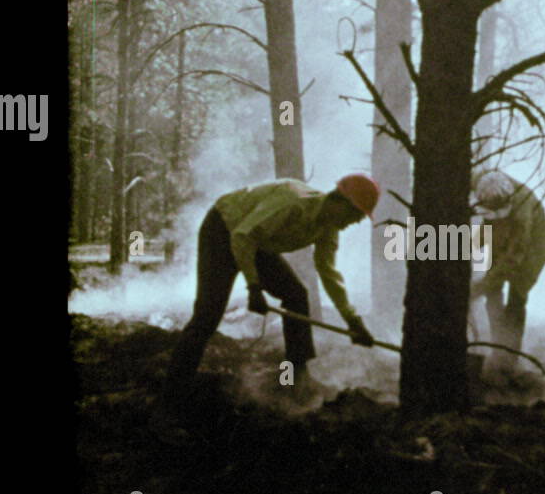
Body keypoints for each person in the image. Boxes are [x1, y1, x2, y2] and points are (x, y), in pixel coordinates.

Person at [154, 174, 380, 434]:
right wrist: (254, 288)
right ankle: (167, 408)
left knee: (296, 295)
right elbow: (241, 236)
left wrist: (352, 320)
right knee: (206, 318)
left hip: (253, 239)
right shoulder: (292, 202)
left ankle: (296, 380)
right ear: (340, 201)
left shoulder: (328, 227)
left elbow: (328, 273)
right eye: (355, 215)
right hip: (223, 229)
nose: (353, 223)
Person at [469, 170, 545, 366]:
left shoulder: (523, 214)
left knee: (517, 296)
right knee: (493, 294)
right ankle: (497, 344)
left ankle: (508, 355)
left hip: (531, 247)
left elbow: (513, 259)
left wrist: (479, 288)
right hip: (498, 228)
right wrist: (465, 248)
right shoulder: (478, 180)